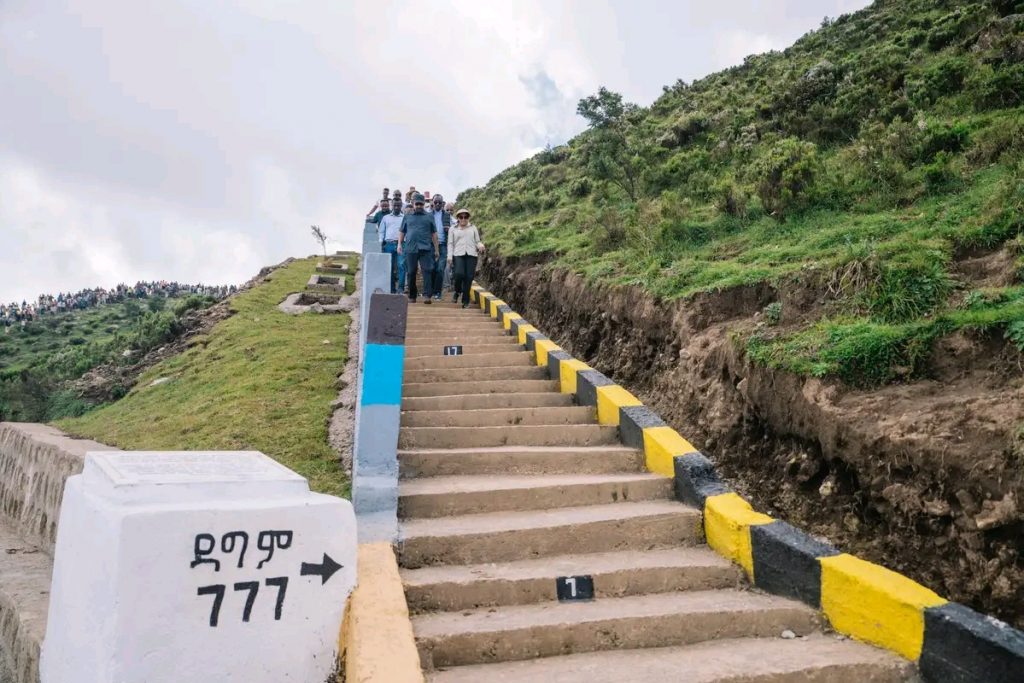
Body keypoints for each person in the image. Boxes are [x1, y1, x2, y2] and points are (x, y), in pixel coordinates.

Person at [398, 193, 439, 303]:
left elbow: (434, 234)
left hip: (426, 248)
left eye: (421, 204)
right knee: (411, 272)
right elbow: (402, 231)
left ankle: (427, 296)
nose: (419, 206)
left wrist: (436, 249)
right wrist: (399, 244)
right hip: (410, 248)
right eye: (417, 204)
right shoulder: (407, 216)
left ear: (424, 204)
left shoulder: (429, 216)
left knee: (427, 271)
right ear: (413, 204)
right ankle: (412, 296)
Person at [447, 208, 485, 307]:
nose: (463, 219)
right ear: (458, 218)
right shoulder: (453, 229)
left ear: (468, 217)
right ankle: (457, 291)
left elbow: (477, 241)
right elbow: (450, 244)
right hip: (458, 254)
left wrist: (480, 245)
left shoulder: (473, 228)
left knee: (469, 277)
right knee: (459, 274)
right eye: (461, 217)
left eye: (466, 217)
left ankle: (465, 301)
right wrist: (449, 256)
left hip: (471, 254)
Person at [379, 197, 405, 293]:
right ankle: (391, 289)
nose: (397, 207)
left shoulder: (404, 218)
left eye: (399, 205)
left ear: (401, 206)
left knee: (401, 266)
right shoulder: (386, 218)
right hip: (388, 245)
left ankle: (401, 289)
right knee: (389, 267)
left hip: (401, 244)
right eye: (395, 205)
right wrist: (381, 242)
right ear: (392, 205)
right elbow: (381, 231)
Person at [428, 194, 452, 300]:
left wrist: (450, 228)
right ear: (432, 203)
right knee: (432, 268)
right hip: (431, 245)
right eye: (435, 202)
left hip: (443, 245)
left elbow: (457, 224)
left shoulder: (447, 215)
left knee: (440, 269)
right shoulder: (428, 215)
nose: (437, 204)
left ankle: (438, 292)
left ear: (442, 203)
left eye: (439, 202)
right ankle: (432, 291)